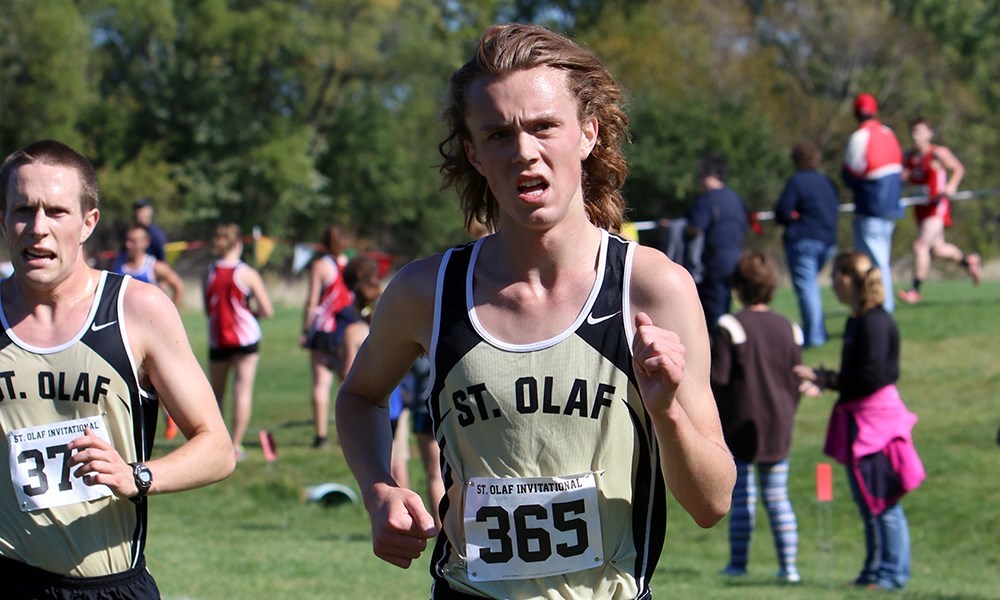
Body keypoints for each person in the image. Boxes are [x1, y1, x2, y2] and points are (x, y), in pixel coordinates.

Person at [336, 23, 735, 599]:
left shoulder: (651, 289)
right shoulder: (429, 290)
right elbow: (359, 395)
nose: (524, 150)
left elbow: (711, 503)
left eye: (544, 126)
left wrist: (668, 411)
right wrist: (378, 488)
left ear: (588, 134)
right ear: (473, 152)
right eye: (498, 134)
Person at [0, 140, 234, 597]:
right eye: (23, 209)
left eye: (57, 212)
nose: (38, 228)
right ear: (4, 219)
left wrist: (138, 476)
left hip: (108, 586)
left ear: (89, 223)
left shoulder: (136, 310)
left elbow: (218, 448)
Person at [795, 252, 925, 591]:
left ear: (851, 280)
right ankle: (874, 569)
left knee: (883, 501)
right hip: (857, 420)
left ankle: (892, 574)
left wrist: (830, 381)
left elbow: (874, 376)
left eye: (837, 276)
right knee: (868, 501)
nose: (833, 283)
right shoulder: (857, 321)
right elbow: (859, 374)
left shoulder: (875, 322)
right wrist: (827, 378)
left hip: (876, 425)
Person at [711, 251, 803, 584]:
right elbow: (796, 378)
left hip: (740, 425)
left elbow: (718, 380)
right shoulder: (789, 327)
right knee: (778, 498)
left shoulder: (730, 325)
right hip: (780, 424)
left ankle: (738, 564)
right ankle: (789, 568)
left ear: (737, 287)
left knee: (743, 499)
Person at [204, 223, 273, 461]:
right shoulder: (247, 273)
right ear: (239, 244)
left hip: (218, 338)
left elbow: (207, 307)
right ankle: (235, 445)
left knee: (217, 394)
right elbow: (267, 309)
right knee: (242, 391)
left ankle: (214, 445)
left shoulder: (210, 271)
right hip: (246, 339)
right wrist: (251, 313)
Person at [897, 117, 981, 304]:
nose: (915, 135)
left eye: (919, 131)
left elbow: (958, 168)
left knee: (920, 245)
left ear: (929, 133)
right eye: (913, 131)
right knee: (939, 250)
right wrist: (903, 179)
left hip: (937, 207)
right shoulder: (909, 157)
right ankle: (969, 262)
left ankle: (914, 291)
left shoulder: (938, 153)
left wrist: (951, 186)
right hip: (921, 209)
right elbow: (907, 182)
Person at [774, 140, 840, 347]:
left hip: (804, 240)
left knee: (807, 288)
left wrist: (791, 218)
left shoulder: (797, 182)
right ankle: (817, 330)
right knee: (812, 287)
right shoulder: (827, 182)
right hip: (828, 241)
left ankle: (815, 337)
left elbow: (783, 211)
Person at [841, 92, 904, 313]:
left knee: (875, 262)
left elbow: (850, 175)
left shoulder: (860, 137)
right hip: (891, 208)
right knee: (881, 258)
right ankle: (879, 307)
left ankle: (883, 309)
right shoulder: (889, 133)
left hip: (871, 208)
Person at [301, 225, 353, 448]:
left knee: (321, 384)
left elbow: (312, 300)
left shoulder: (319, 266)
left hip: (323, 330)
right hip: (347, 330)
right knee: (349, 385)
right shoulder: (351, 265)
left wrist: (305, 329)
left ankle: (320, 436)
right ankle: (349, 435)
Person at [685, 154, 749, 332]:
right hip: (735, 259)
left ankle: (716, 350)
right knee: (725, 307)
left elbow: (694, 227)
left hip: (713, 264)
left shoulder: (706, 199)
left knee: (711, 313)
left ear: (710, 174)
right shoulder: (735, 198)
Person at [111, 221, 185, 308]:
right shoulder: (118, 265)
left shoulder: (155, 267)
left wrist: (173, 313)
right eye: (127, 240)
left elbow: (178, 286)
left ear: (146, 242)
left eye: (133, 241)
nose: (128, 245)